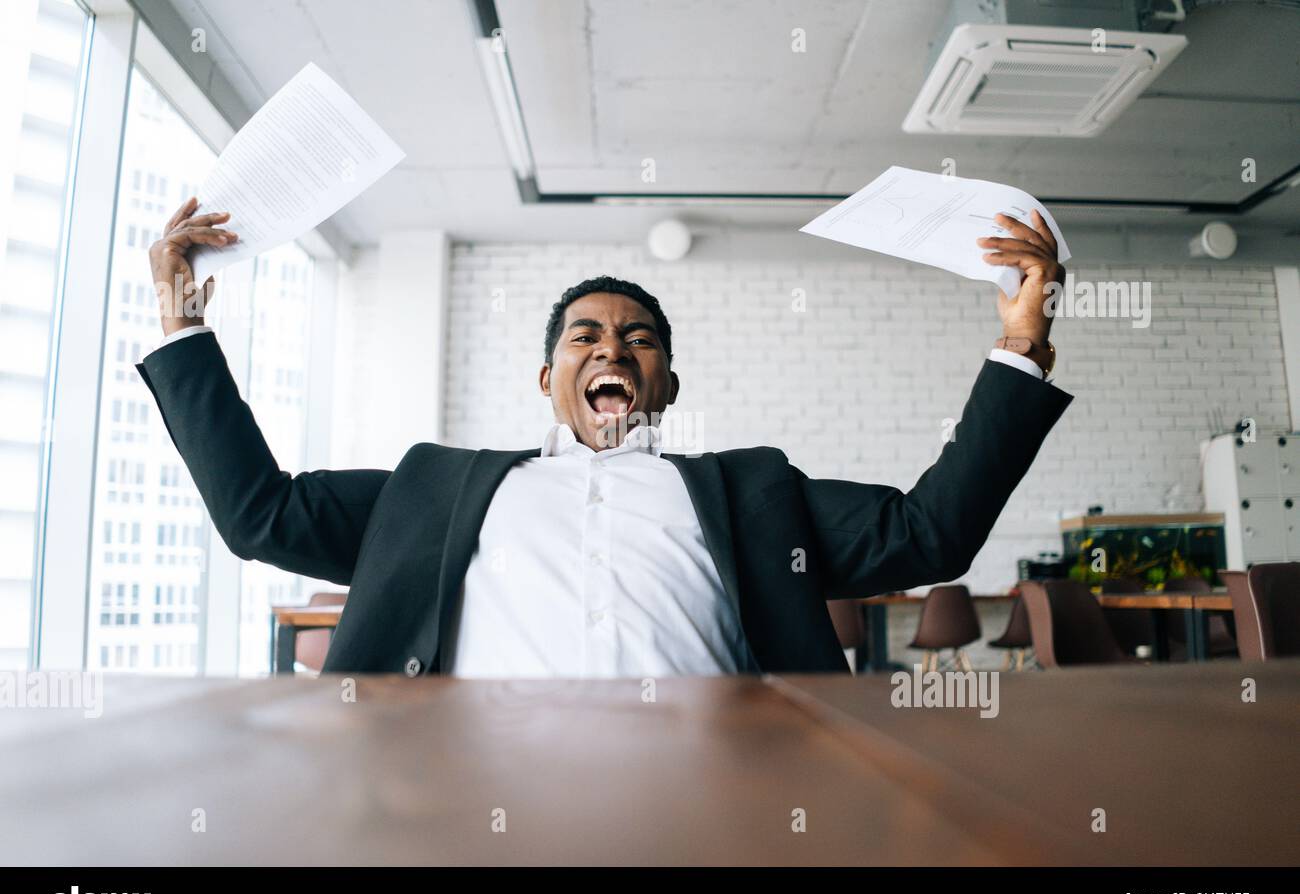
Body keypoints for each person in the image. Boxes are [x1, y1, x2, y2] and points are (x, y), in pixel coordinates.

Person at [140, 197, 1072, 676]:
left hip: (718, 806)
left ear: (667, 382)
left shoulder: (753, 492)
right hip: (471, 806)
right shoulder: (432, 488)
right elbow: (258, 514)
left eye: (638, 338)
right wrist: (181, 318)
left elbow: (929, 535)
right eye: (584, 335)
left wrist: (1022, 343)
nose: (611, 346)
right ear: (549, 381)